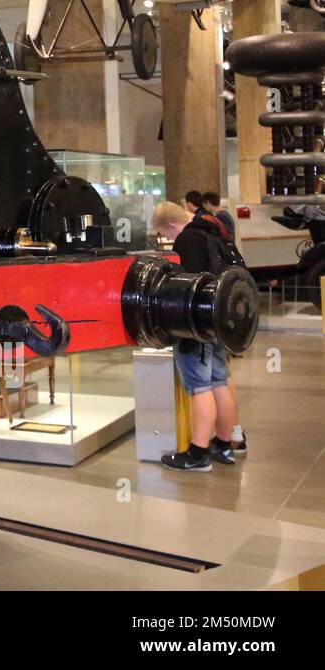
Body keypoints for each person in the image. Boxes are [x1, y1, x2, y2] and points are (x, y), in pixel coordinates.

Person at [150, 201, 246, 470]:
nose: (169, 240)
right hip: (219, 321)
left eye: (166, 235)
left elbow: (188, 287)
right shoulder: (212, 230)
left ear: (170, 225)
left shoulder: (188, 241)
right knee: (219, 382)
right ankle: (224, 444)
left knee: (199, 387)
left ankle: (198, 453)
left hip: (195, 326)